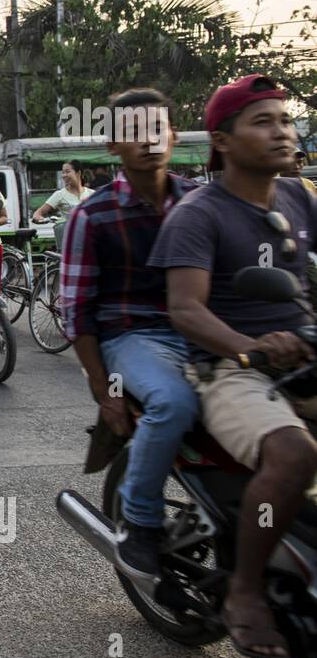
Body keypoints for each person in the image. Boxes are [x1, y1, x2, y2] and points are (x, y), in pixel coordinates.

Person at [147, 74, 317, 658]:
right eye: (263, 122)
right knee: (294, 454)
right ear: (222, 140)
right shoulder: (199, 214)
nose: (282, 132)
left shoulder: (300, 196)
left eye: (286, 120)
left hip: (306, 353)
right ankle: (246, 590)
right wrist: (252, 345)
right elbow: (186, 310)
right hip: (232, 368)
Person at [59, 88, 200, 580]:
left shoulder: (198, 203)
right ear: (113, 146)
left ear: (174, 137)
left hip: (203, 334)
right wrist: (105, 390)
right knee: (174, 403)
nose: (149, 141)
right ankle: (140, 519)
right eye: (133, 133)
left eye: (157, 129)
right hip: (130, 337)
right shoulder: (91, 215)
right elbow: (76, 310)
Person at [33, 159, 94, 225]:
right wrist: (42, 219)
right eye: (63, 172)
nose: (64, 175)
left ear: (78, 173)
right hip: (70, 233)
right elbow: (38, 213)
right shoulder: (60, 194)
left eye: (67, 172)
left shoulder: (92, 193)